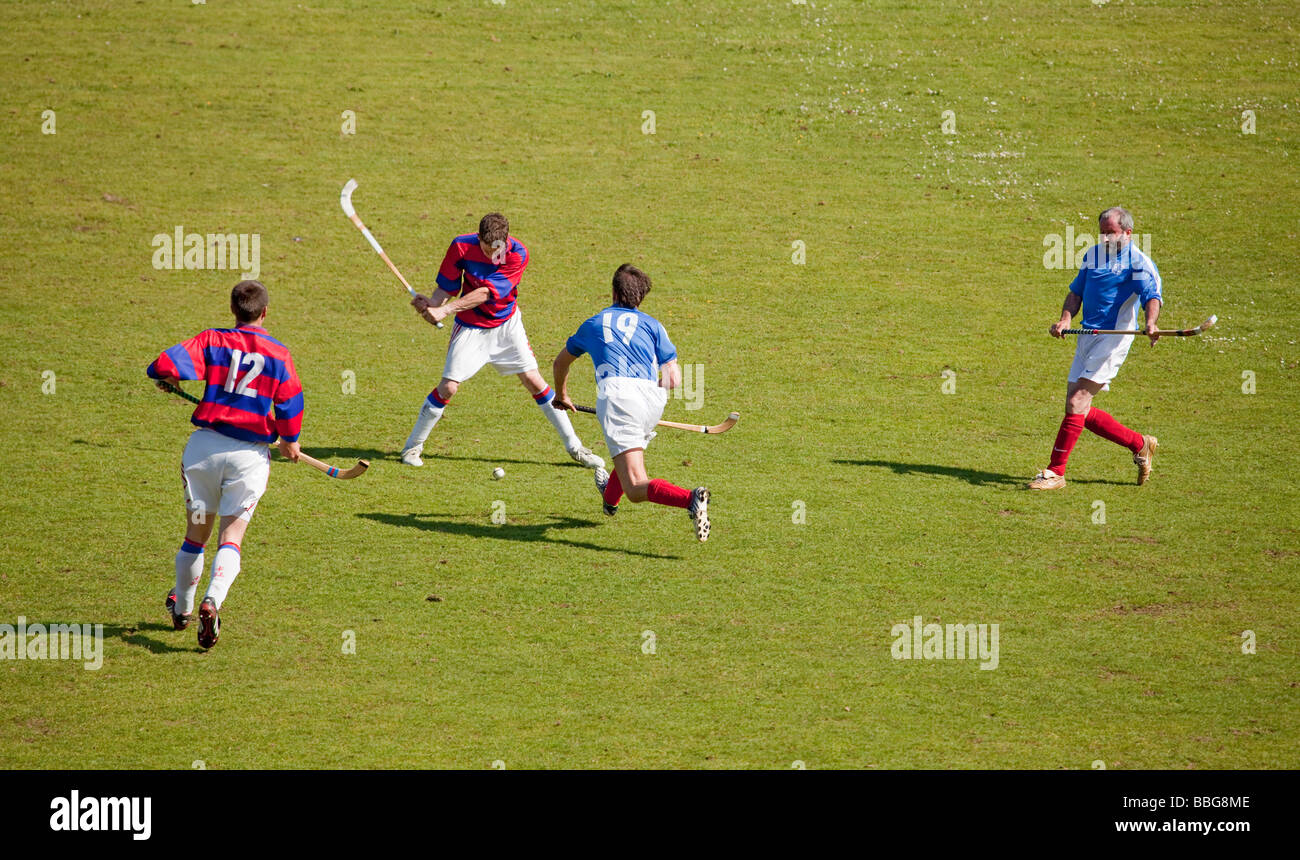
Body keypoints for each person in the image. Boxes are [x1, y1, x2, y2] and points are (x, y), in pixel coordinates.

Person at [146, 280, 303, 648]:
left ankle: (182, 609)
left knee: (194, 536)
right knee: (231, 538)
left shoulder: (213, 340)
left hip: (204, 452)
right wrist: (290, 441)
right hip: (248, 458)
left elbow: (162, 365)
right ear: (265, 312)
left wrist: (167, 378)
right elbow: (290, 402)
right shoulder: (279, 354)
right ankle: (212, 600)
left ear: (234, 310)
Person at [399, 213, 605, 472]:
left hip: (507, 326)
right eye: (486, 249)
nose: (491, 255)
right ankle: (412, 447)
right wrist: (431, 305)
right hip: (470, 329)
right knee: (448, 388)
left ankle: (575, 448)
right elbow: (447, 290)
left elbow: (486, 293)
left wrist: (445, 310)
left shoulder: (518, 254)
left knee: (534, 381)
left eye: (497, 249)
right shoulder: (461, 246)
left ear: (506, 240)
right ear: (479, 238)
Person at [552, 264, 711, 541]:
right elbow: (673, 379)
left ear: (613, 292)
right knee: (626, 455)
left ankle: (690, 498)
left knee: (636, 486)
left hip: (618, 397)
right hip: (653, 397)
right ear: (640, 299)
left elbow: (561, 362)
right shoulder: (654, 325)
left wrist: (562, 395)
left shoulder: (594, 323)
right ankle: (610, 499)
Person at [1030, 207, 1161, 490]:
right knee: (1078, 408)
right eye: (1101, 232)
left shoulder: (1138, 263)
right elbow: (1076, 292)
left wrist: (1151, 323)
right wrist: (1065, 319)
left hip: (1113, 339)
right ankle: (1140, 444)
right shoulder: (1092, 255)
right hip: (1087, 336)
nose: (1104, 238)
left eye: (1110, 233)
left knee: (1077, 403)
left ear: (1128, 233)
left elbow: (1152, 296)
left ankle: (1055, 473)